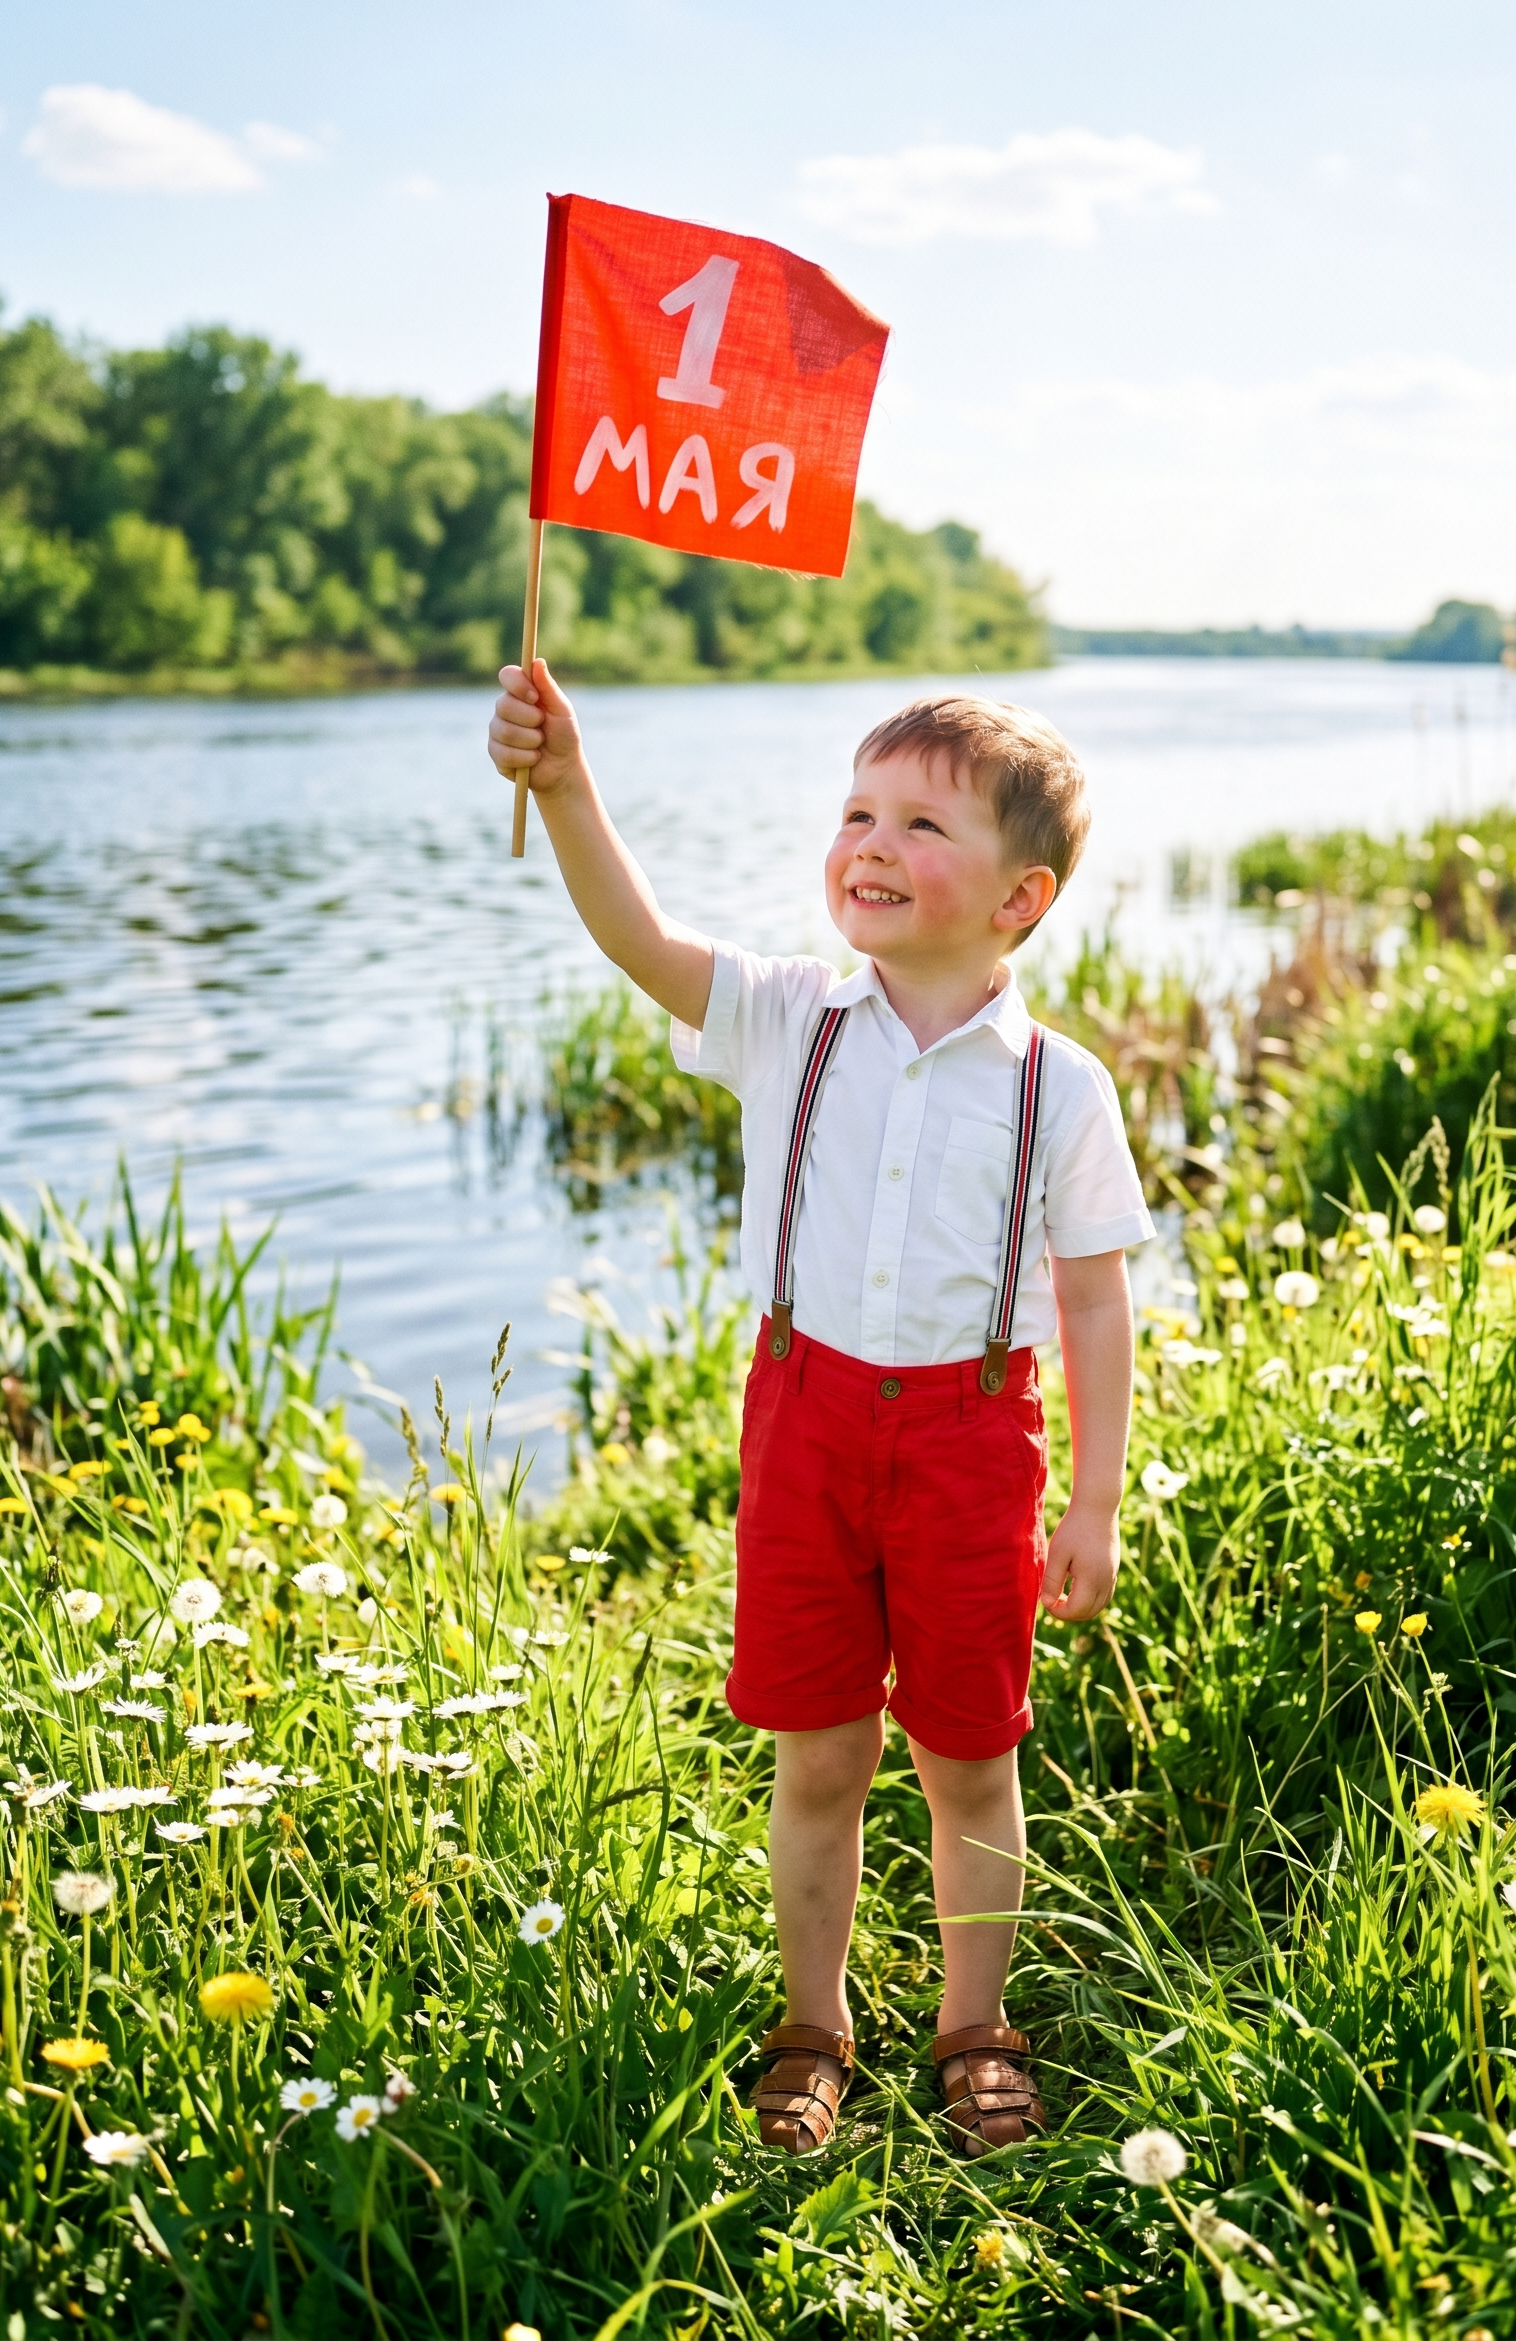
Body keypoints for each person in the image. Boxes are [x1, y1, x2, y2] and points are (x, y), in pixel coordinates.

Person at [488, 662, 1150, 2157]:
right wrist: (567, 785)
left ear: (1020, 896)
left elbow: (1097, 1301)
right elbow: (642, 942)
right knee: (820, 1752)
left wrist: (1093, 1502)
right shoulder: (793, 1019)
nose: (869, 840)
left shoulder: (1062, 1086)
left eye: (921, 823)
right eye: (857, 808)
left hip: (977, 1440)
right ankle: (815, 2022)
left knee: (970, 1754)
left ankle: (975, 2024)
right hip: (804, 1423)